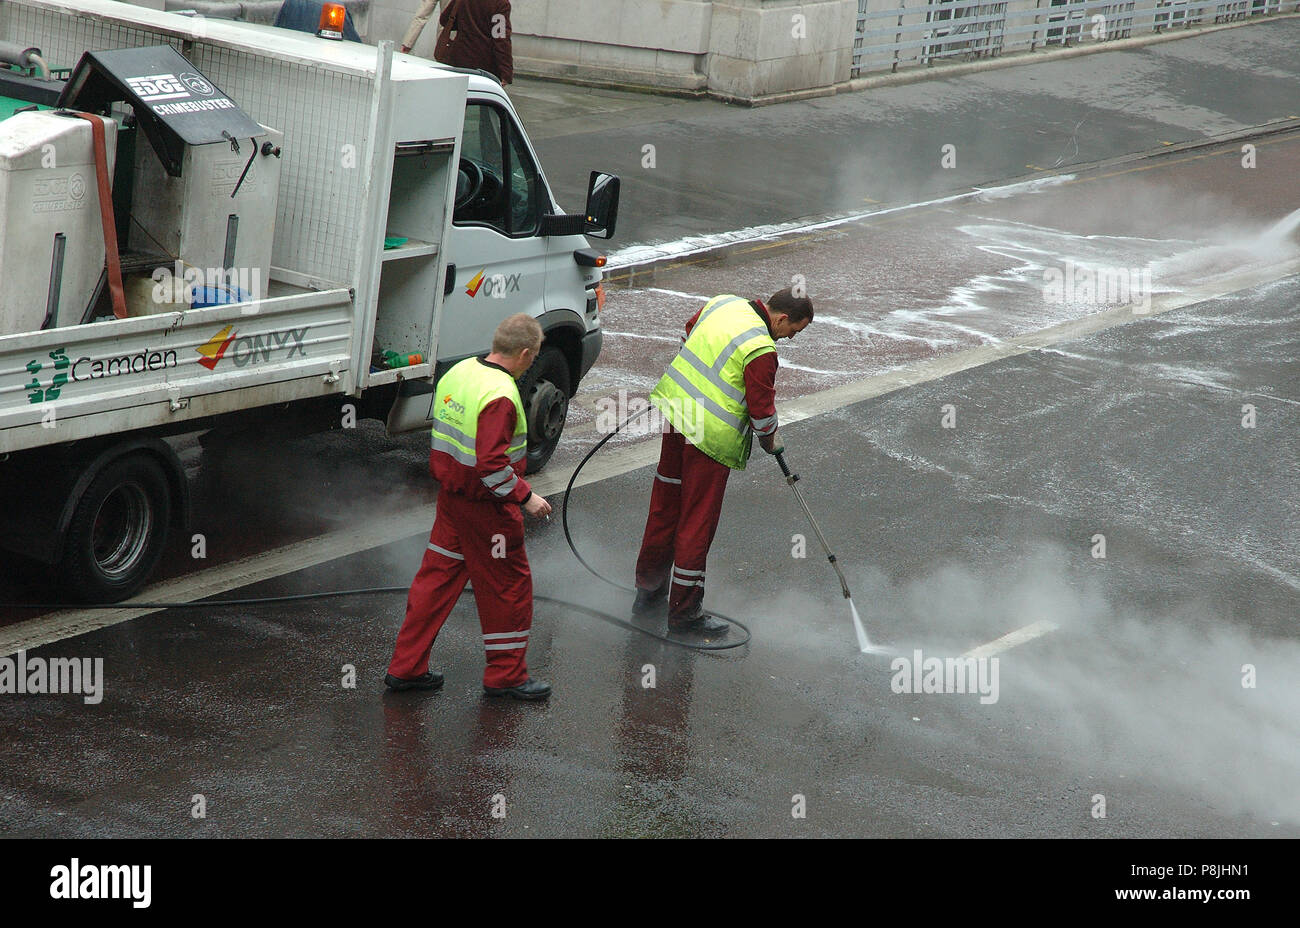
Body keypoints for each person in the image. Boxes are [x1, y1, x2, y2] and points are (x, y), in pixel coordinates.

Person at [386, 313, 552, 699]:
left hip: (451, 500)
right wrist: (527, 498)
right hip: (487, 509)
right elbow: (492, 465)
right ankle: (506, 676)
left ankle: (406, 668)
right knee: (508, 587)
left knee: (436, 579)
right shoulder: (501, 396)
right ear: (526, 354)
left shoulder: (460, 372)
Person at [633, 288, 813, 636]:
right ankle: (684, 615)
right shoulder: (761, 348)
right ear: (780, 318)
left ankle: (648, 597)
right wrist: (771, 441)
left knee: (665, 509)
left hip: (677, 418)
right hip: (709, 442)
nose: (790, 338)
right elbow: (762, 413)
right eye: (794, 331)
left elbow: (689, 335)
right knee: (696, 524)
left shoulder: (723, 303)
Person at [401, 0, 514, 86]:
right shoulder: (500, 4)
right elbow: (500, 39)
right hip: (483, 64)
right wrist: (506, 72)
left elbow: (445, 19)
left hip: (458, 57)